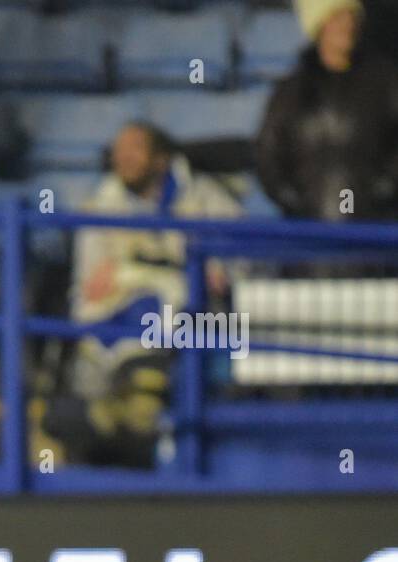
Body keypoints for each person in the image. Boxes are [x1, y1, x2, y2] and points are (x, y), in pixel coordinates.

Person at [49, 121, 243, 468]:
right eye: (120, 150)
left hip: (190, 317)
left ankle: (139, 417)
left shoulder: (201, 195)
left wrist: (218, 269)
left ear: (160, 159)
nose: (125, 157)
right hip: (117, 313)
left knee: (171, 312)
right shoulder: (101, 204)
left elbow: (237, 256)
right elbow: (90, 284)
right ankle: (118, 416)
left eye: (136, 148)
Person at [256, 0, 398, 222]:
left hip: (375, 238)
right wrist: (298, 204)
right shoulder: (290, 92)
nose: (347, 25)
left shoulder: (386, 83)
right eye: (337, 17)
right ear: (320, 25)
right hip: (309, 240)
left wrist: (380, 194)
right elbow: (269, 157)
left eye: (351, 17)